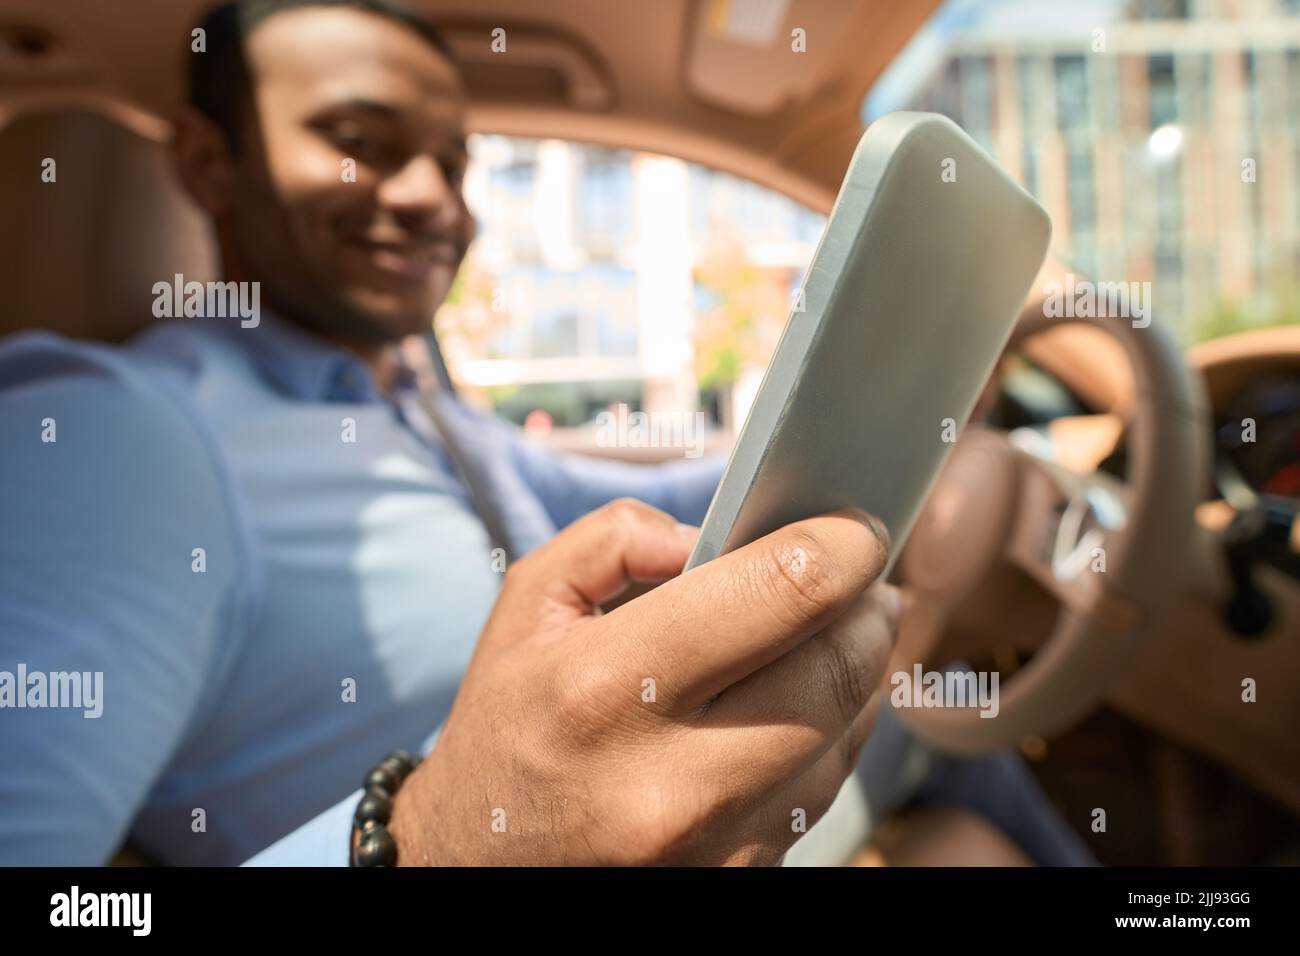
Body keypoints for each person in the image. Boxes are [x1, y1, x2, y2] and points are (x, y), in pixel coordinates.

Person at [0, 0, 904, 865]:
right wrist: (433, 845)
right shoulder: (117, 435)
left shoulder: (415, 406)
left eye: (454, 162)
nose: (434, 197)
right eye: (359, 143)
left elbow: (663, 504)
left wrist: (874, 403)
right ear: (206, 164)